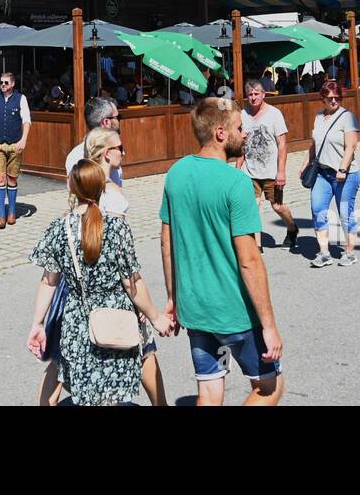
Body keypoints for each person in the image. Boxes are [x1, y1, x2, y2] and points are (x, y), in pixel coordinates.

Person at [160, 97, 284, 405]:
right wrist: (269, 326)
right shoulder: (235, 183)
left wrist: (173, 298)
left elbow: (166, 242)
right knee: (270, 386)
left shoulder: (176, 173)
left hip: (195, 308)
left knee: (210, 391)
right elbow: (250, 261)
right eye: (240, 128)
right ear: (220, 133)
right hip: (234, 312)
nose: (245, 134)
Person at [26, 159, 172, 406]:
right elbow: (131, 283)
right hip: (116, 318)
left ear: (72, 188)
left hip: (78, 321)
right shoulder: (117, 227)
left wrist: (38, 323)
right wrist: (156, 317)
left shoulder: (59, 229)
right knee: (111, 395)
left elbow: (48, 282)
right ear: (102, 188)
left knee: (87, 396)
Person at [82, 127, 168, 406]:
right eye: (120, 147)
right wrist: (149, 310)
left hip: (90, 286)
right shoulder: (109, 194)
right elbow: (124, 261)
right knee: (142, 348)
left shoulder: (84, 187)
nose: (123, 151)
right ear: (107, 153)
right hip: (118, 287)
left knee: (107, 354)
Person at [301, 80, 360, 266]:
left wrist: (343, 169)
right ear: (323, 99)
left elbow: (351, 146)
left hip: (345, 174)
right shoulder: (319, 117)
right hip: (322, 172)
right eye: (329, 98)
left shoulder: (348, 117)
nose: (333, 101)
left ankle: (350, 252)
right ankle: (324, 253)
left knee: (345, 213)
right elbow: (315, 144)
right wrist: (306, 163)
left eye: (337, 98)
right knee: (318, 209)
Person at [237, 80, 297, 252]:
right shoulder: (243, 114)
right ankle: (257, 245)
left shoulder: (274, 114)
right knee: (253, 206)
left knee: (277, 206)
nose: (254, 97)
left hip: (271, 171)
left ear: (263, 94)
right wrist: (237, 168)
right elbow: (242, 145)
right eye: (250, 94)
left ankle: (292, 228)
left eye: (257, 93)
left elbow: (282, 145)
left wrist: (281, 172)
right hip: (251, 171)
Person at [0, 71, 31, 228]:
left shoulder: (21, 99)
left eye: (6, 83)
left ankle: (12, 212)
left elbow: (27, 120)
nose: (3, 85)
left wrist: (24, 139)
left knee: (12, 179)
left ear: (13, 84)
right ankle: (1, 215)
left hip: (15, 143)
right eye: (1, 82)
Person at [64, 96, 121, 186]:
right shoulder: (78, 157)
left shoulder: (74, 155)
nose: (119, 121)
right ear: (106, 122)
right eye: (118, 117)